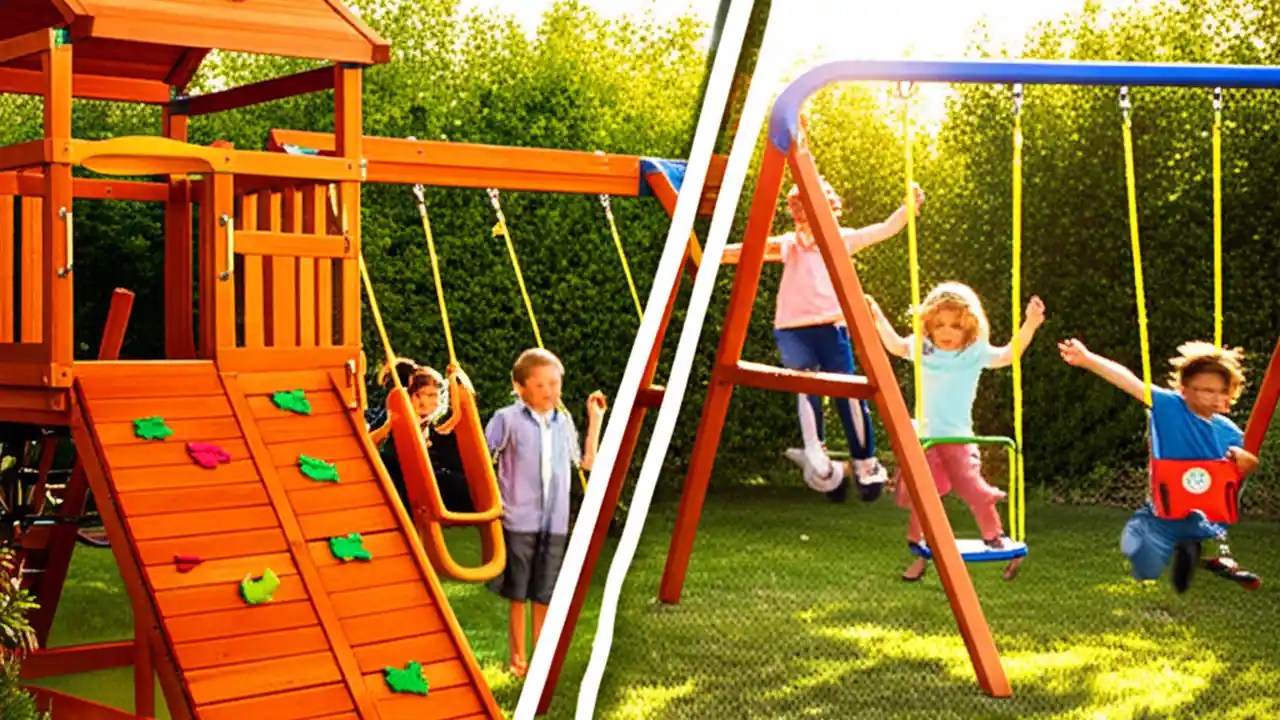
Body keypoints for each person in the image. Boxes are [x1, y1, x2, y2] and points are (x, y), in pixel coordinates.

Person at [867, 282, 1045, 581]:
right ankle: (920, 554)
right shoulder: (923, 349)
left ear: (969, 328)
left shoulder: (973, 353)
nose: (946, 332)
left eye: (955, 326)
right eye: (939, 325)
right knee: (924, 498)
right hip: (926, 440)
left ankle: (994, 535)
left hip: (959, 439)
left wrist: (1030, 323)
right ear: (928, 326)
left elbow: (1007, 355)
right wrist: (876, 316)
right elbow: (896, 345)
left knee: (972, 488)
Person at [1059, 338, 1261, 591]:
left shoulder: (1229, 432)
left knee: (1201, 523)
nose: (1215, 398)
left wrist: (1244, 461)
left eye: (1222, 391)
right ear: (1184, 389)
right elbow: (1129, 382)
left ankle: (1208, 552)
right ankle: (1186, 547)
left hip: (1204, 499)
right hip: (1170, 495)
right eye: (1206, 390)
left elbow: (1245, 469)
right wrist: (1087, 359)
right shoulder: (1169, 406)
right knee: (1150, 555)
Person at [774, 174, 926, 503]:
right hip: (793, 328)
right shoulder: (789, 244)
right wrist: (709, 254)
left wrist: (908, 208)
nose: (807, 223)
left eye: (815, 213)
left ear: (831, 212)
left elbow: (883, 229)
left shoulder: (841, 239)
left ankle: (864, 463)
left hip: (832, 326)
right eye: (800, 214)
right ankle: (816, 452)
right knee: (807, 385)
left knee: (849, 391)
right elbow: (750, 249)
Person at [484, 348, 607, 678]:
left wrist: (595, 420)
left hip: (553, 522)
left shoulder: (562, 421)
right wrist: (494, 502)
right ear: (520, 387)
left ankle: (540, 659)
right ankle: (517, 659)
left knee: (544, 593)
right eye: (541, 385)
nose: (551, 391)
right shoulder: (506, 419)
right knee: (518, 593)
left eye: (555, 384)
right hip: (518, 519)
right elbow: (483, 459)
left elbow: (586, 462)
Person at [366, 358, 474, 514]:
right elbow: (368, 444)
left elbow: (462, 409)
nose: (429, 401)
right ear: (412, 397)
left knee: (459, 483)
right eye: (423, 395)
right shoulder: (396, 416)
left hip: (426, 481)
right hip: (399, 480)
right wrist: (389, 426)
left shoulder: (435, 420)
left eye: (434, 396)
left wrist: (456, 375)